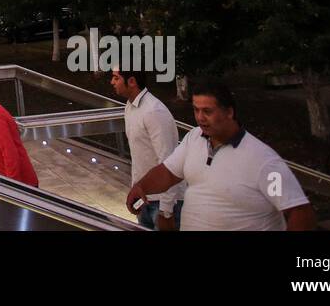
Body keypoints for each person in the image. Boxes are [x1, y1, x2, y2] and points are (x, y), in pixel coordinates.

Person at [126, 79, 315, 231]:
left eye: (207, 111)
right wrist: (142, 186)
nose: (200, 117)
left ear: (229, 112)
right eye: (196, 110)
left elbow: (299, 211)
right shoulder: (194, 139)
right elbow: (168, 173)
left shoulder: (262, 161)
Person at [111, 67, 184, 230]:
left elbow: (169, 161)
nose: (112, 82)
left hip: (165, 203)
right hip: (145, 199)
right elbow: (139, 157)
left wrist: (166, 210)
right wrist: (136, 192)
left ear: (131, 82)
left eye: (116, 78)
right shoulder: (129, 107)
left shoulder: (154, 111)